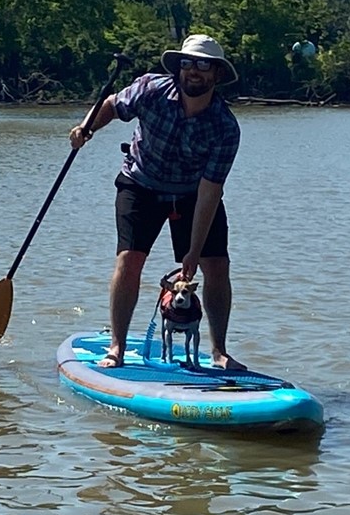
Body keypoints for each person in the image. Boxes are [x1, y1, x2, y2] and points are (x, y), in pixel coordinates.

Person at [68, 34, 246, 370]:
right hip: (141, 182)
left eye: (204, 66)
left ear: (217, 75)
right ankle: (116, 347)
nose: (194, 71)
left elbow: (210, 191)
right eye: (188, 63)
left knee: (216, 266)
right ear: (179, 68)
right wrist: (86, 127)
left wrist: (193, 252)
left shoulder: (225, 128)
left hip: (192, 193)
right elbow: (111, 105)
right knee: (129, 259)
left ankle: (219, 352)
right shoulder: (151, 90)